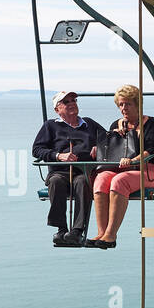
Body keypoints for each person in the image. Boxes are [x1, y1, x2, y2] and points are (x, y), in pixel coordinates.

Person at [87, 85, 154, 248]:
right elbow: (111, 149)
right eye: (121, 104)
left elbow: (153, 149)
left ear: (137, 104)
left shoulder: (150, 123)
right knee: (100, 179)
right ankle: (101, 232)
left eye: (128, 104)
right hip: (120, 168)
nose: (123, 108)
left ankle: (111, 234)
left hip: (147, 169)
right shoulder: (117, 123)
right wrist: (100, 146)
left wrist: (133, 160)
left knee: (119, 181)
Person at [32, 91, 106, 246]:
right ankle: (61, 229)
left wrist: (98, 147)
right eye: (66, 102)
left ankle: (77, 231)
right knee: (56, 182)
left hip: (84, 171)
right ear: (57, 109)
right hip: (60, 171)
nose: (72, 103)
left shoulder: (89, 124)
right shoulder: (51, 126)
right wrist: (59, 155)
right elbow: (37, 150)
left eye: (74, 100)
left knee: (82, 183)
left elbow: (109, 139)